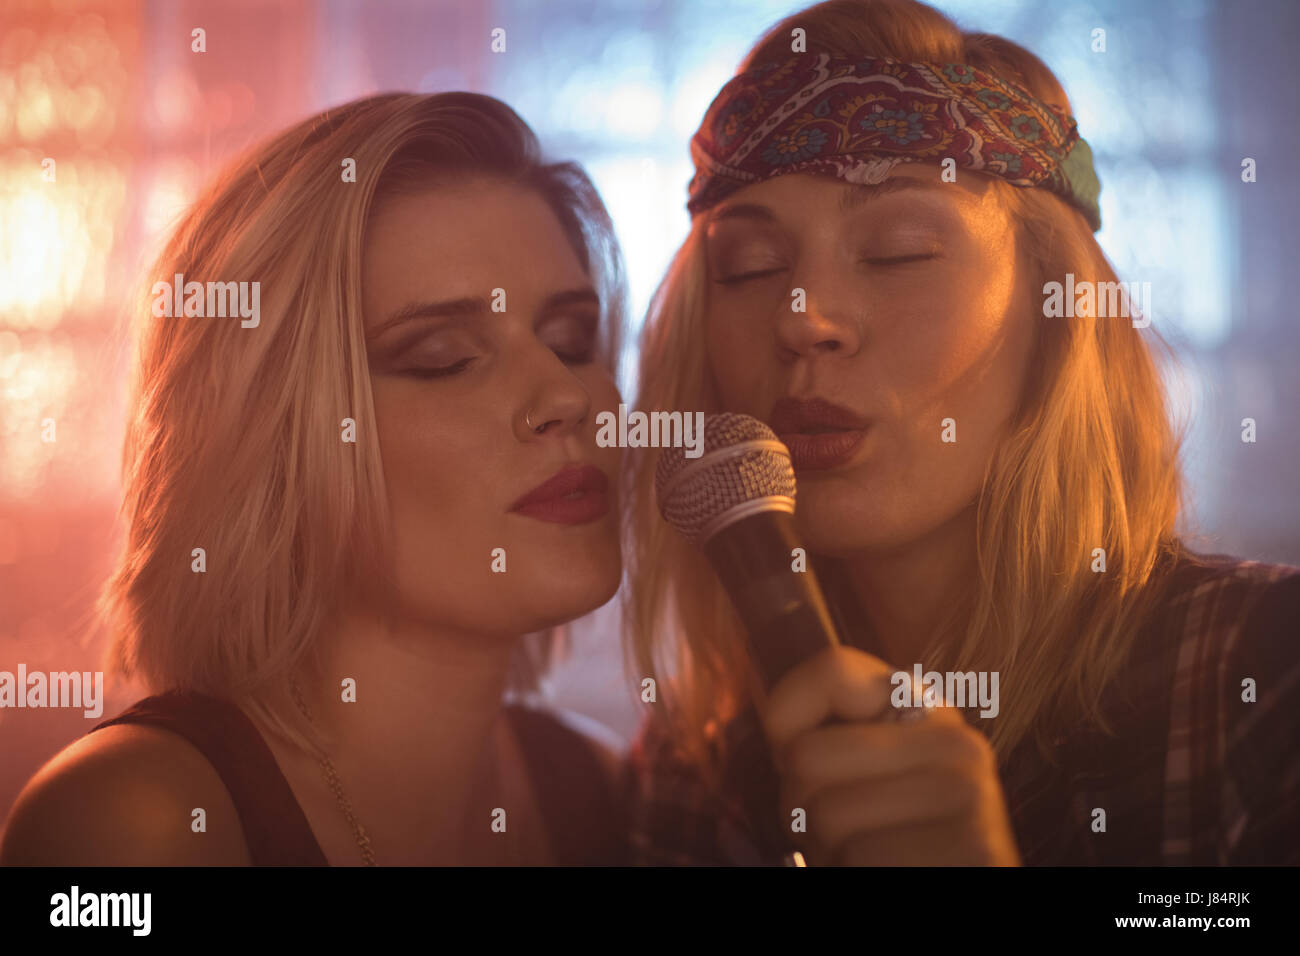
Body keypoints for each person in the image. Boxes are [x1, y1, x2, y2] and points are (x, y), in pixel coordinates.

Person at [623, 0, 1300, 865]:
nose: (804, 320)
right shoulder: (695, 771)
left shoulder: (1259, 680)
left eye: (897, 251)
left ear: (1056, 316)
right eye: (750, 268)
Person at [1, 92, 629, 866]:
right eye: (445, 358)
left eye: (571, 339)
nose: (567, 396)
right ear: (272, 442)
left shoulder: (600, 792)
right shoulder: (134, 826)